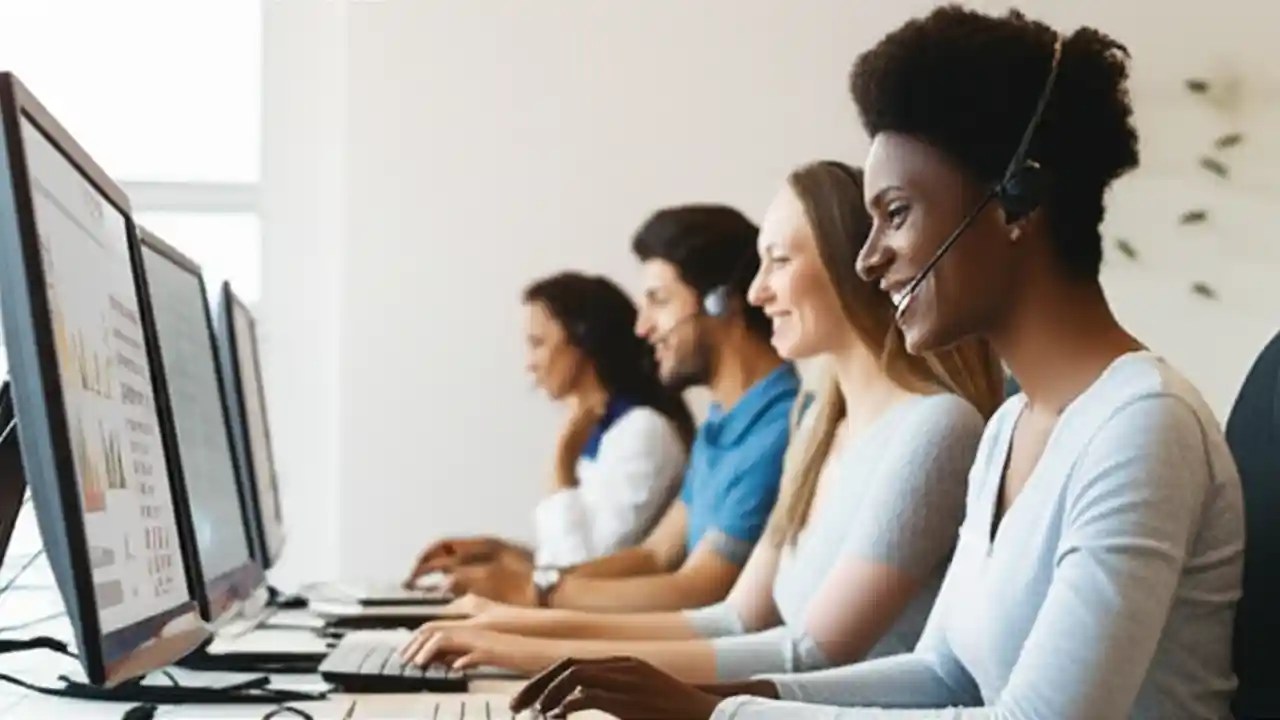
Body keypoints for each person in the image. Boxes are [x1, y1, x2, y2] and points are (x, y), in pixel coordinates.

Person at [509, 7, 1245, 720]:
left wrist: (720, 715)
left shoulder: (1142, 428)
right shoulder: (1009, 428)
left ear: (1017, 202)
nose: (868, 259)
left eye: (895, 214)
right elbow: (943, 673)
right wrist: (707, 699)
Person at [397, 161, 1005, 681]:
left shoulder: (934, 430)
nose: (759, 292)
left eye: (778, 261)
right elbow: (736, 617)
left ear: (852, 264)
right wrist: (519, 625)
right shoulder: (817, 420)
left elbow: (811, 652)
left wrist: (532, 644)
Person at [410, 204, 802, 612]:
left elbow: (701, 589)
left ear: (723, 302)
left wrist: (534, 593)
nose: (642, 326)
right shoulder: (723, 421)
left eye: (659, 300)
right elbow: (655, 554)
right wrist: (517, 574)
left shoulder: (778, 426)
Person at [406, 272, 695, 574]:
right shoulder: (602, 433)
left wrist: (562, 460)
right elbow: (563, 562)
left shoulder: (644, 432)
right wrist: (494, 552)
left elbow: (580, 572)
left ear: (583, 343)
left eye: (538, 343)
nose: (529, 363)